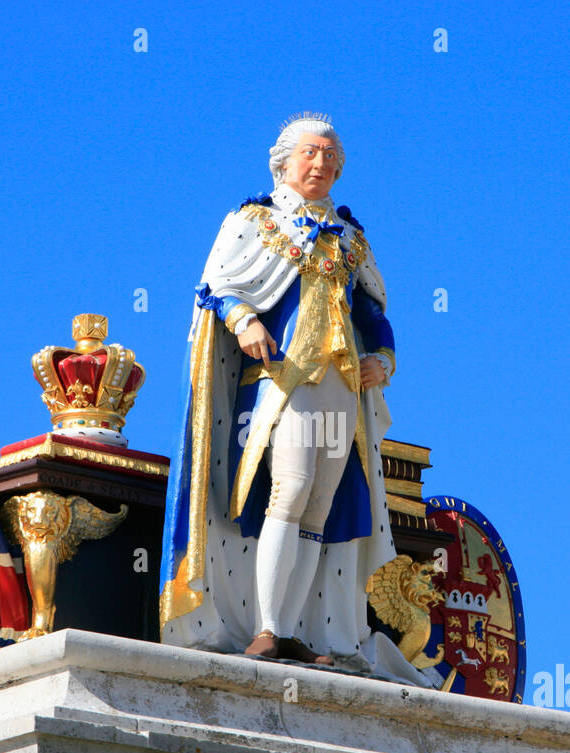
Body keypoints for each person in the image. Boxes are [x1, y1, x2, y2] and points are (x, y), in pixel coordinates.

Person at [159, 114, 400, 673]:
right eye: (313, 154)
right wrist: (243, 320)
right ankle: (266, 626)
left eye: (332, 157)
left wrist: (382, 358)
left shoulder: (349, 235)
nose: (323, 164)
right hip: (283, 377)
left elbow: (372, 308)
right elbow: (220, 284)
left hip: (340, 383)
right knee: (288, 491)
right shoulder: (254, 220)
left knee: (319, 504)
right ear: (285, 160)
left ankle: (291, 629)